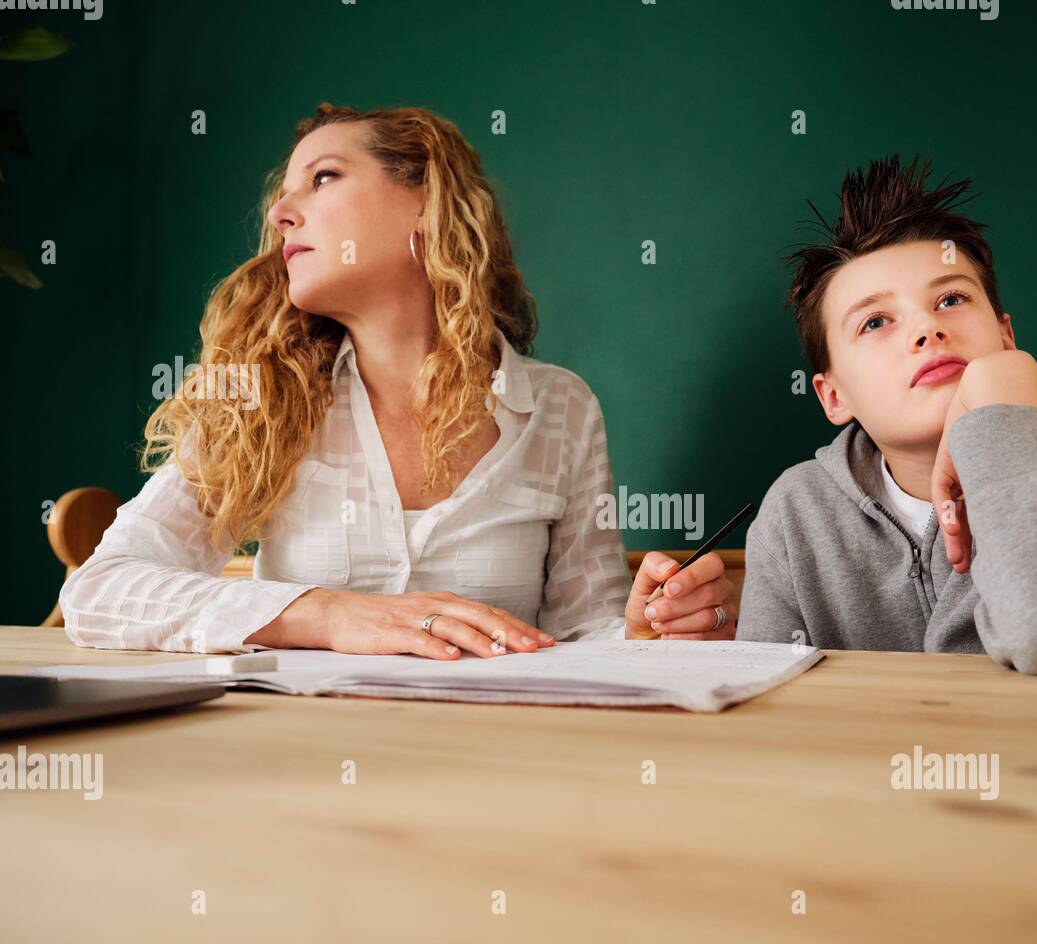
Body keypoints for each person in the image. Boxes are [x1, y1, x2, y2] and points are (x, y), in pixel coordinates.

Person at [60, 103, 737, 658]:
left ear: (425, 203)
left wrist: (646, 633)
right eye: (285, 194)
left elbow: (585, 631)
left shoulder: (561, 408)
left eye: (323, 177)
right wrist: (326, 614)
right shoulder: (257, 398)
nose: (281, 214)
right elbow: (100, 591)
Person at [736, 155, 1037, 674]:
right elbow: (762, 692)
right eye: (876, 321)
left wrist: (999, 394)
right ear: (834, 397)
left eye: (950, 298)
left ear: (1007, 338)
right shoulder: (794, 511)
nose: (926, 329)